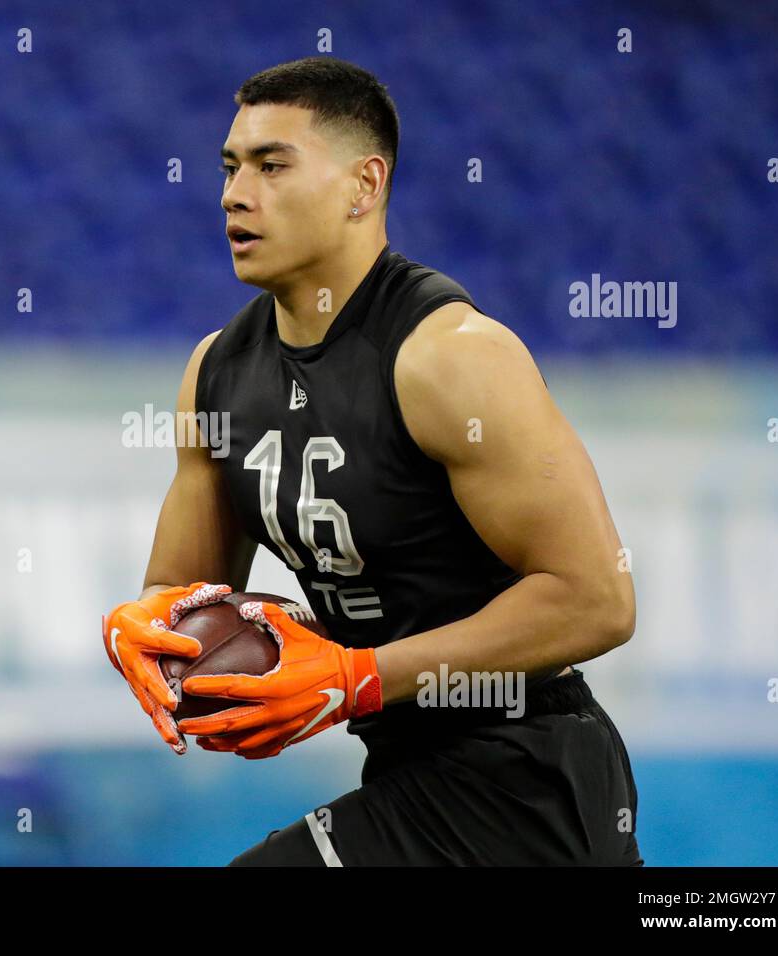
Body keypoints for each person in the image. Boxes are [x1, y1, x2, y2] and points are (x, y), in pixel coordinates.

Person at [104, 57, 642, 865]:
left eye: (272, 165)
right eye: (229, 167)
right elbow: (182, 590)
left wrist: (358, 674)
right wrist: (139, 626)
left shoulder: (450, 357)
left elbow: (597, 600)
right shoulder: (216, 372)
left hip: (528, 777)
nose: (234, 193)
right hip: (407, 772)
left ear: (365, 185)